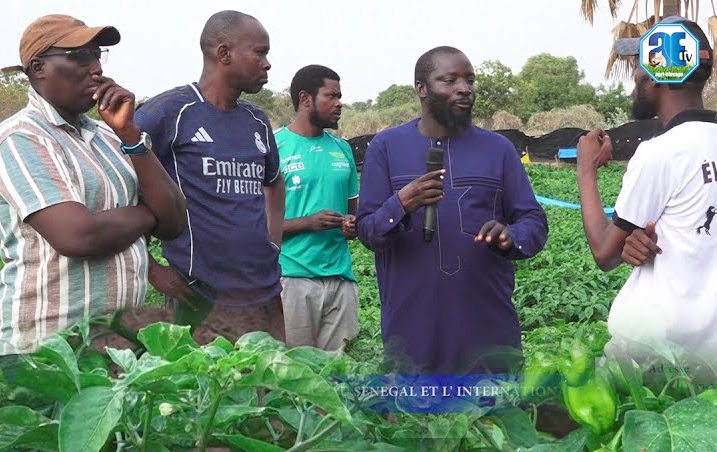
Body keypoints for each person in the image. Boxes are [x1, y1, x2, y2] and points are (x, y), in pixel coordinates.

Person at [0, 14, 187, 379]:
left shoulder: (111, 138)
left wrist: (131, 136)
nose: (96, 68)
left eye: (96, 54)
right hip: (50, 349)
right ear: (39, 68)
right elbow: (79, 237)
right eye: (79, 56)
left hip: (119, 343)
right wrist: (148, 215)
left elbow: (173, 220)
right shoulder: (22, 137)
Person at [356, 46, 548, 375]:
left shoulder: (498, 149)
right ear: (422, 89)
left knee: (493, 406)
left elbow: (533, 220)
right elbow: (367, 230)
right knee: (417, 406)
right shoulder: (386, 148)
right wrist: (401, 204)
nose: (464, 88)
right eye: (450, 80)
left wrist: (510, 236)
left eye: (469, 80)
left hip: (488, 329)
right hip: (412, 333)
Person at [575, 16, 717, 365]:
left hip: (650, 354)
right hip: (709, 354)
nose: (635, 75)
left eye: (640, 65)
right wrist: (635, 239)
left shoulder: (661, 152)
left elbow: (605, 254)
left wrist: (586, 171)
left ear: (657, 75)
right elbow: (691, 234)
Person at [134, 10, 286, 344]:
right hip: (199, 294)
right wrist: (151, 269)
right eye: (260, 53)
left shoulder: (257, 121)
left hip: (264, 289)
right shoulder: (167, 113)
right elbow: (120, 187)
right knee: (206, 377)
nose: (268, 64)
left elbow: (274, 183)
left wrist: (272, 243)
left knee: (271, 375)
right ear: (224, 53)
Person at [274, 65, 359, 351]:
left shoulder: (342, 149)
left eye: (340, 96)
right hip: (291, 279)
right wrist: (308, 222)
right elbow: (255, 226)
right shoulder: (274, 147)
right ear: (305, 98)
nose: (339, 104)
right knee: (293, 369)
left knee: (338, 370)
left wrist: (352, 225)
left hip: (341, 280)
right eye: (331, 96)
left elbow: (354, 212)